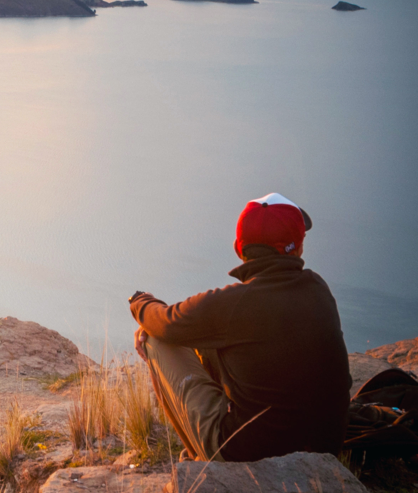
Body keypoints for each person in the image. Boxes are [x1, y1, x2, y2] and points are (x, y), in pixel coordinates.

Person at [130, 192, 350, 462]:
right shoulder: (319, 289)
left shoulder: (233, 304)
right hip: (324, 449)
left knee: (156, 339)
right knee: (202, 337)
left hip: (250, 453)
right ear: (299, 248)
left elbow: (165, 323)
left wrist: (139, 301)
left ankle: (200, 458)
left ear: (238, 248)